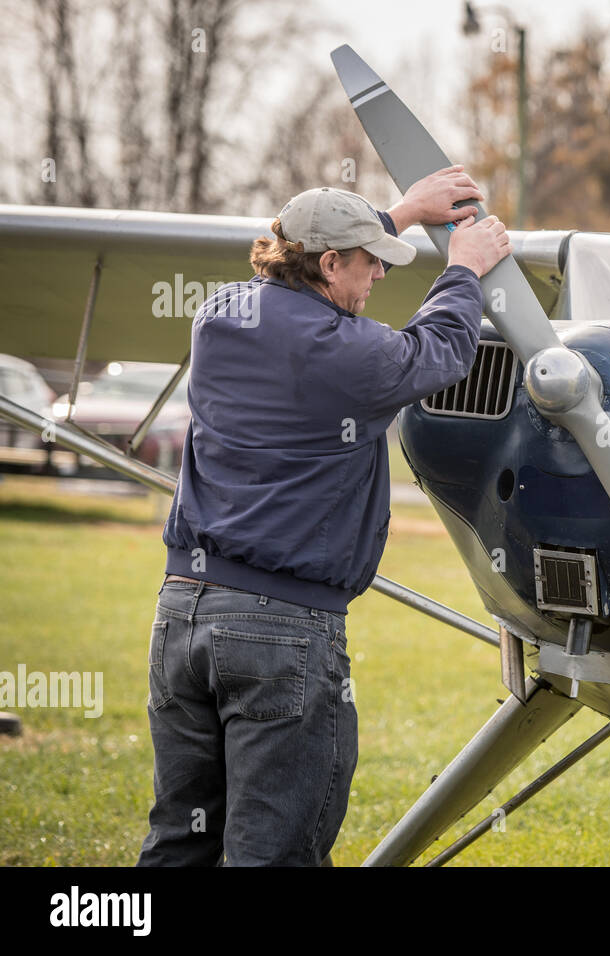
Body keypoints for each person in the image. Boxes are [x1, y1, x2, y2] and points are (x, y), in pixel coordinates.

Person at [138, 168, 510, 866]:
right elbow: (440, 352)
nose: (375, 280)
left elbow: (316, 260)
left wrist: (395, 216)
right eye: (367, 263)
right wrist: (463, 270)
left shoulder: (219, 314)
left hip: (181, 615)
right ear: (331, 262)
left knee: (179, 839)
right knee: (273, 851)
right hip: (279, 629)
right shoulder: (351, 354)